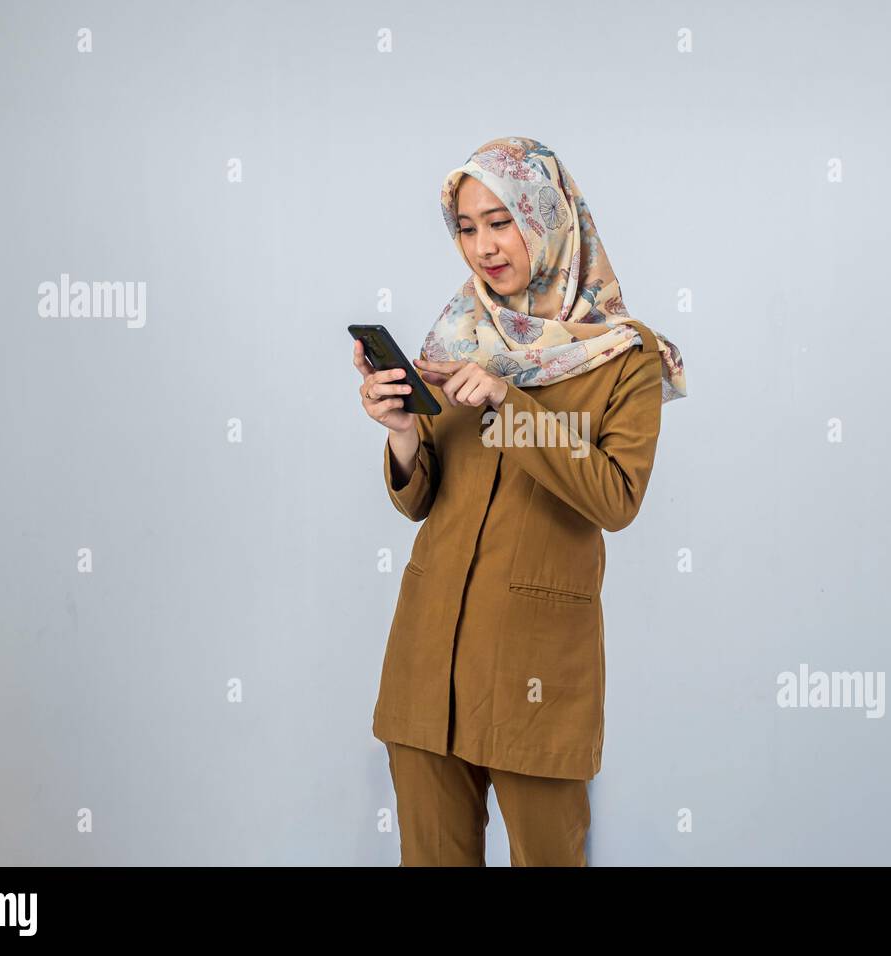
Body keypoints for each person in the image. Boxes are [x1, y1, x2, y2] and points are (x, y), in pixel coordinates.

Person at [352, 136, 686, 866]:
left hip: (535, 670)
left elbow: (617, 497)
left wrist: (510, 402)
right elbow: (421, 498)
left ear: (546, 218)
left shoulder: (624, 356)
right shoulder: (459, 332)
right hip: (428, 658)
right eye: (467, 227)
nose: (483, 247)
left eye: (501, 222)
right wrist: (403, 431)